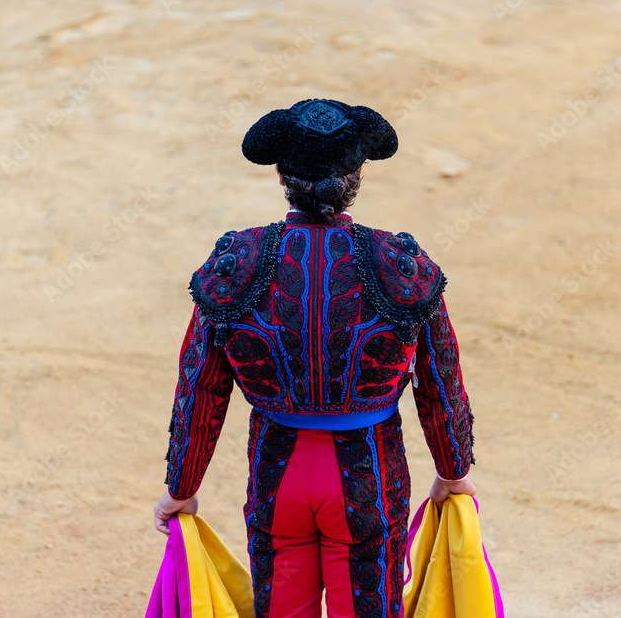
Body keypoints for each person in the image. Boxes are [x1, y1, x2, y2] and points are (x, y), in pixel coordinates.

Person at [154, 98, 476, 618]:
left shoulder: (238, 262)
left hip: (277, 472)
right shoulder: (401, 264)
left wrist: (181, 489)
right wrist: (453, 470)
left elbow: (201, 388)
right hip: (368, 475)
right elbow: (439, 379)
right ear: (359, 174)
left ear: (282, 176)